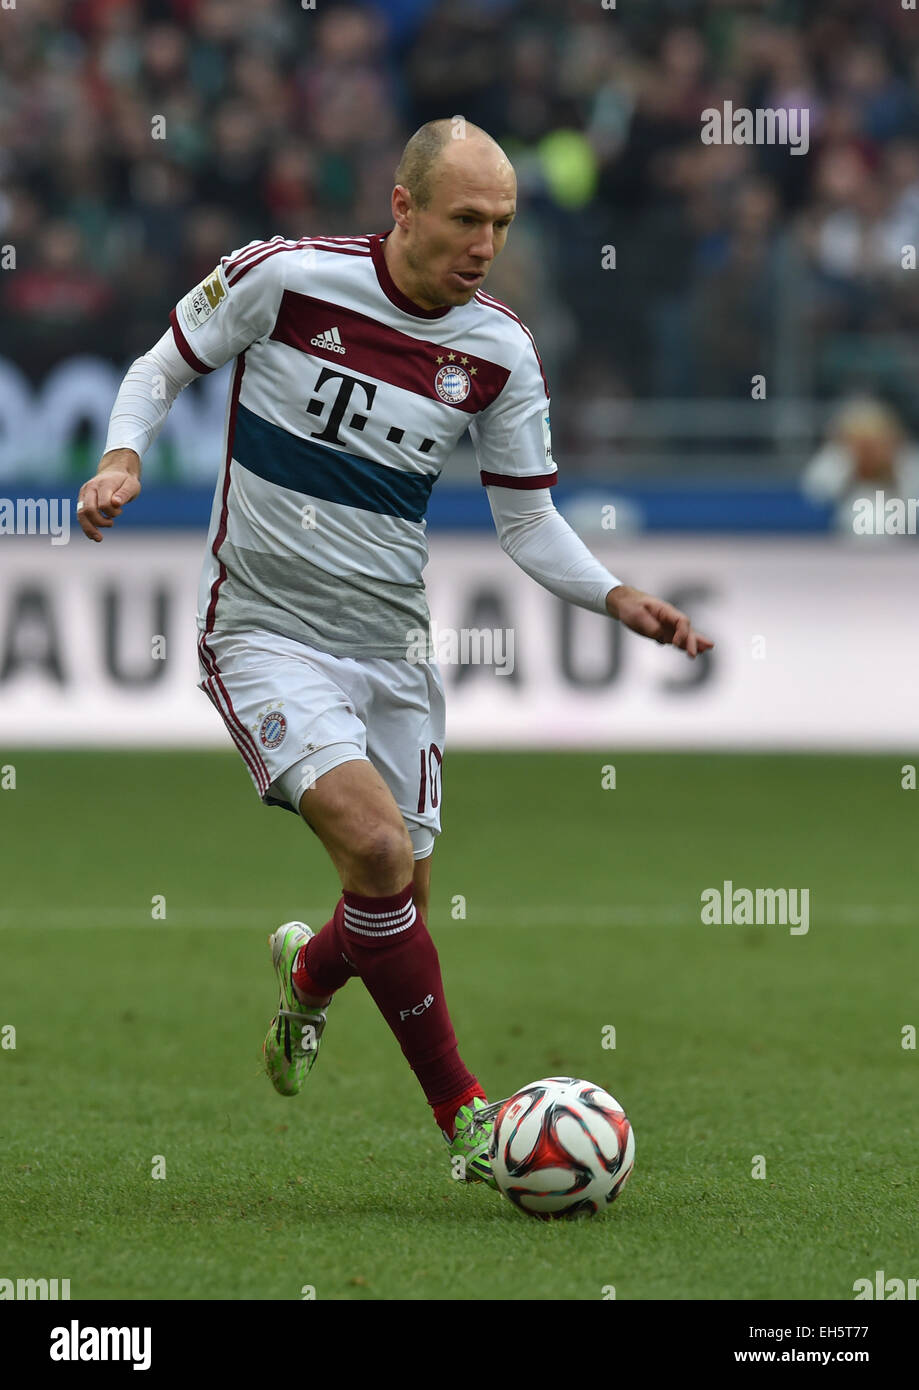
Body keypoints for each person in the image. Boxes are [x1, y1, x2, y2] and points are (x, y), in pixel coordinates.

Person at [76, 119, 713, 1188]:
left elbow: (526, 523)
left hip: (393, 648)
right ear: (404, 205)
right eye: (466, 218)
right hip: (263, 630)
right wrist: (121, 458)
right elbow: (157, 368)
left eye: (502, 224)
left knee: (393, 897)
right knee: (376, 857)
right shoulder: (285, 279)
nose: (484, 243)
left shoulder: (498, 350)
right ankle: (468, 1115)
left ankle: (308, 971)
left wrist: (615, 595)